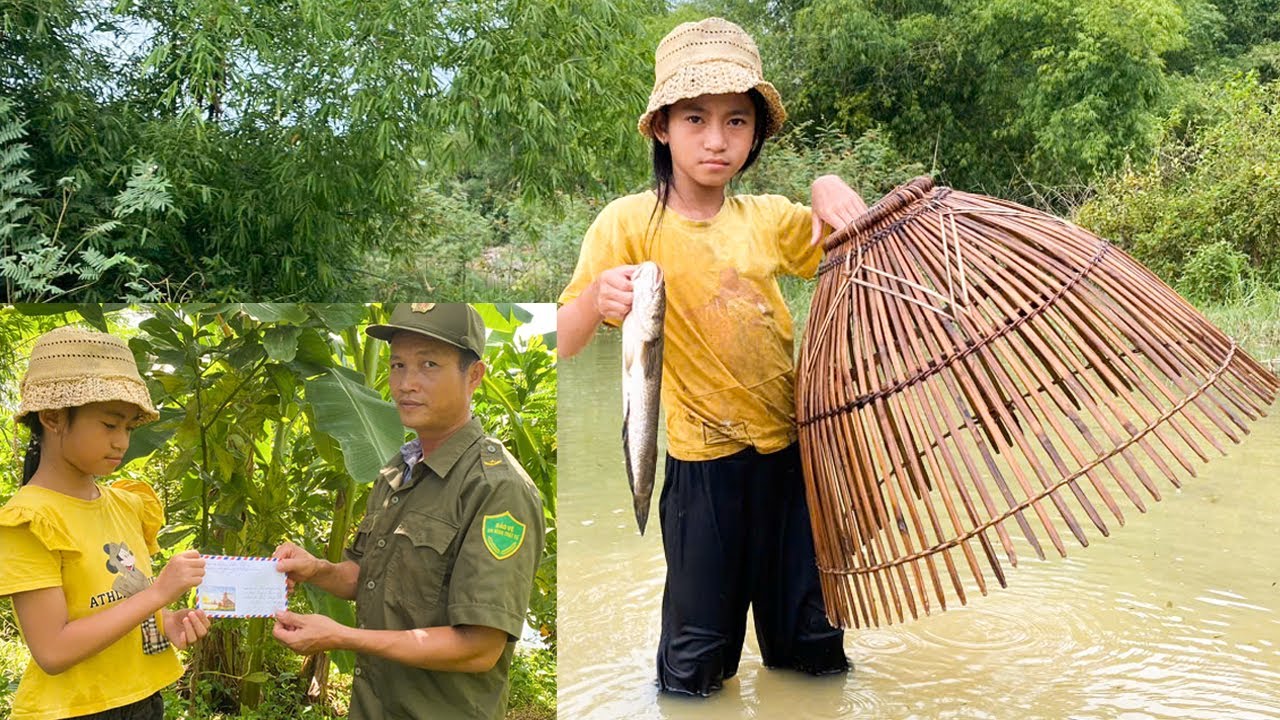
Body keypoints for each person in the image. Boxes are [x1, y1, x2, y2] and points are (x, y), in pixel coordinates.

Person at [557, 17, 866, 697]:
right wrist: (596, 301)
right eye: (695, 117)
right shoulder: (626, 225)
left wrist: (826, 184)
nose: (717, 139)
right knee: (694, 669)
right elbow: (563, 338)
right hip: (702, 475)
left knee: (813, 651)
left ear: (756, 133)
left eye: (736, 120)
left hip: (795, 463)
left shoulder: (768, 221)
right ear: (662, 126)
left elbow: (857, 245)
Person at [271, 303, 546, 720]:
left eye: (429, 364)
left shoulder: (496, 487)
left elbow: (479, 648)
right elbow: (369, 576)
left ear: (474, 376)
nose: (406, 383)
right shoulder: (398, 471)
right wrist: (317, 570)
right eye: (398, 365)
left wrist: (344, 637)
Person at [0, 326, 211, 720]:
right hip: (75, 710)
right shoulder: (29, 521)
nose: (123, 442)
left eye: (129, 427)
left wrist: (166, 622)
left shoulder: (128, 504)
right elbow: (53, 651)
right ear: (53, 417)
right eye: (110, 425)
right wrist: (159, 595)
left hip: (144, 700)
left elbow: (120, 603)